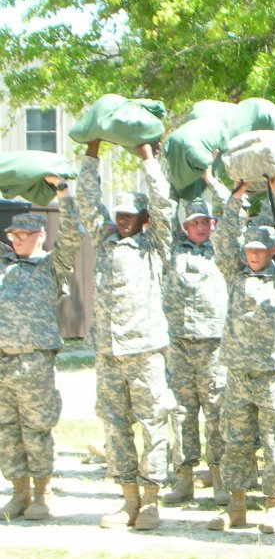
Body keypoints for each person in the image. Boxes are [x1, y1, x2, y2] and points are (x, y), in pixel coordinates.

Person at [76, 140, 177, 530]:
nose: (122, 220)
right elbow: (87, 203)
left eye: (131, 215)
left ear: (144, 219)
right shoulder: (104, 242)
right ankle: (128, 500)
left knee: (153, 423)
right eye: (119, 214)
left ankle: (151, 501)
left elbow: (165, 205)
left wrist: (149, 160)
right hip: (108, 351)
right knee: (115, 426)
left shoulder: (154, 246)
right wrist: (92, 153)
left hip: (145, 350)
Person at [206, 178, 275, 534]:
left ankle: (274, 506)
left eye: (261, 249)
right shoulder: (235, 272)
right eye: (250, 249)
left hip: (272, 372)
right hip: (239, 372)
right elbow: (224, 239)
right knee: (236, 441)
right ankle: (237, 504)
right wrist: (237, 196)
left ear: (272, 251)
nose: (254, 254)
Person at [0, 180, 82, 520]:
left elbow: (74, 234)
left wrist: (64, 194)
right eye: (12, 235)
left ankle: (41, 493)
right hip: (3, 362)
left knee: (37, 429)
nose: (15, 239)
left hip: (35, 362)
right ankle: (18, 492)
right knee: (7, 431)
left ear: (39, 236)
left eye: (22, 234)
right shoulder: (5, 267)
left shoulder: (51, 265)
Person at [162, 197, 229, 506]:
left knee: (216, 412)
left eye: (206, 222)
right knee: (182, 413)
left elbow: (233, 213)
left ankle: (219, 479)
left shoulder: (223, 250)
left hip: (213, 345)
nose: (201, 227)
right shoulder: (172, 250)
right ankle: (184, 479)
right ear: (184, 226)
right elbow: (161, 210)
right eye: (194, 223)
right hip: (179, 345)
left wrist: (211, 178)